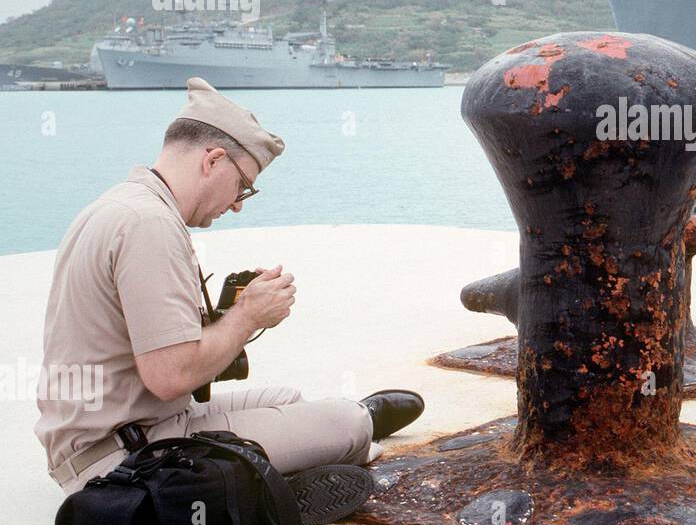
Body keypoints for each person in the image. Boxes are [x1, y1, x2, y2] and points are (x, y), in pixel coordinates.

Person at [37, 77, 425, 495]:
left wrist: (223, 313)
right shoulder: (151, 226)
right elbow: (170, 376)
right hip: (124, 457)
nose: (239, 203)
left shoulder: (124, 205)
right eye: (243, 185)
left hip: (119, 429)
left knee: (289, 396)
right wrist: (246, 316)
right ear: (214, 160)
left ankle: (320, 433)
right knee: (345, 425)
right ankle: (351, 426)